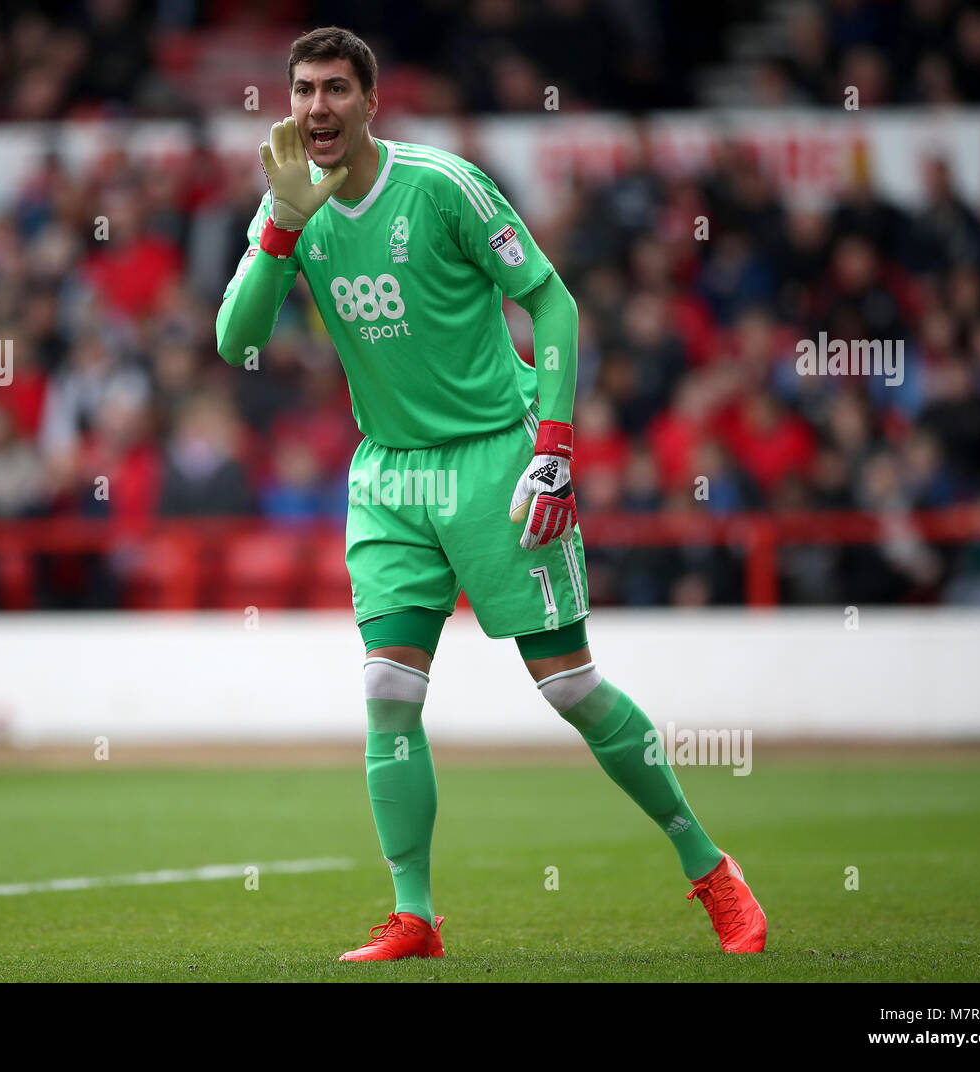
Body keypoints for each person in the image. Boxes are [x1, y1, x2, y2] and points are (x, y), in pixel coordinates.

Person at [216, 26, 766, 962]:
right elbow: (237, 340)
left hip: (495, 460)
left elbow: (552, 301)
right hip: (390, 472)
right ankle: (416, 915)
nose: (317, 107)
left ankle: (710, 868)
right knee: (388, 688)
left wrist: (554, 444)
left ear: (370, 102)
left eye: (337, 89)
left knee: (573, 689)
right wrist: (279, 226)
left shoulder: (441, 186)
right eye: (304, 89)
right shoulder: (293, 212)